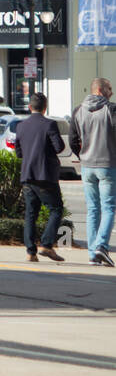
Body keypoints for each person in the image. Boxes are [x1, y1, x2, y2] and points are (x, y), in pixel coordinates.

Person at [70, 78, 116, 267]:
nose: (111, 92)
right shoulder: (111, 110)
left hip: (87, 166)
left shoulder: (78, 110)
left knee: (93, 210)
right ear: (100, 90)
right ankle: (101, 246)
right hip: (107, 164)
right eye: (109, 89)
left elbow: (73, 140)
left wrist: (83, 156)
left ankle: (92, 254)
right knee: (109, 207)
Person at [16, 92, 66, 263]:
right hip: (45, 175)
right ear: (45, 108)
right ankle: (46, 244)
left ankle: (31, 252)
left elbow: (18, 152)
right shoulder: (49, 124)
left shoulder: (21, 126)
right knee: (56, 209)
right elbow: (59, 147)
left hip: (27, 175)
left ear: (30, 107)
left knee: (30, 213)